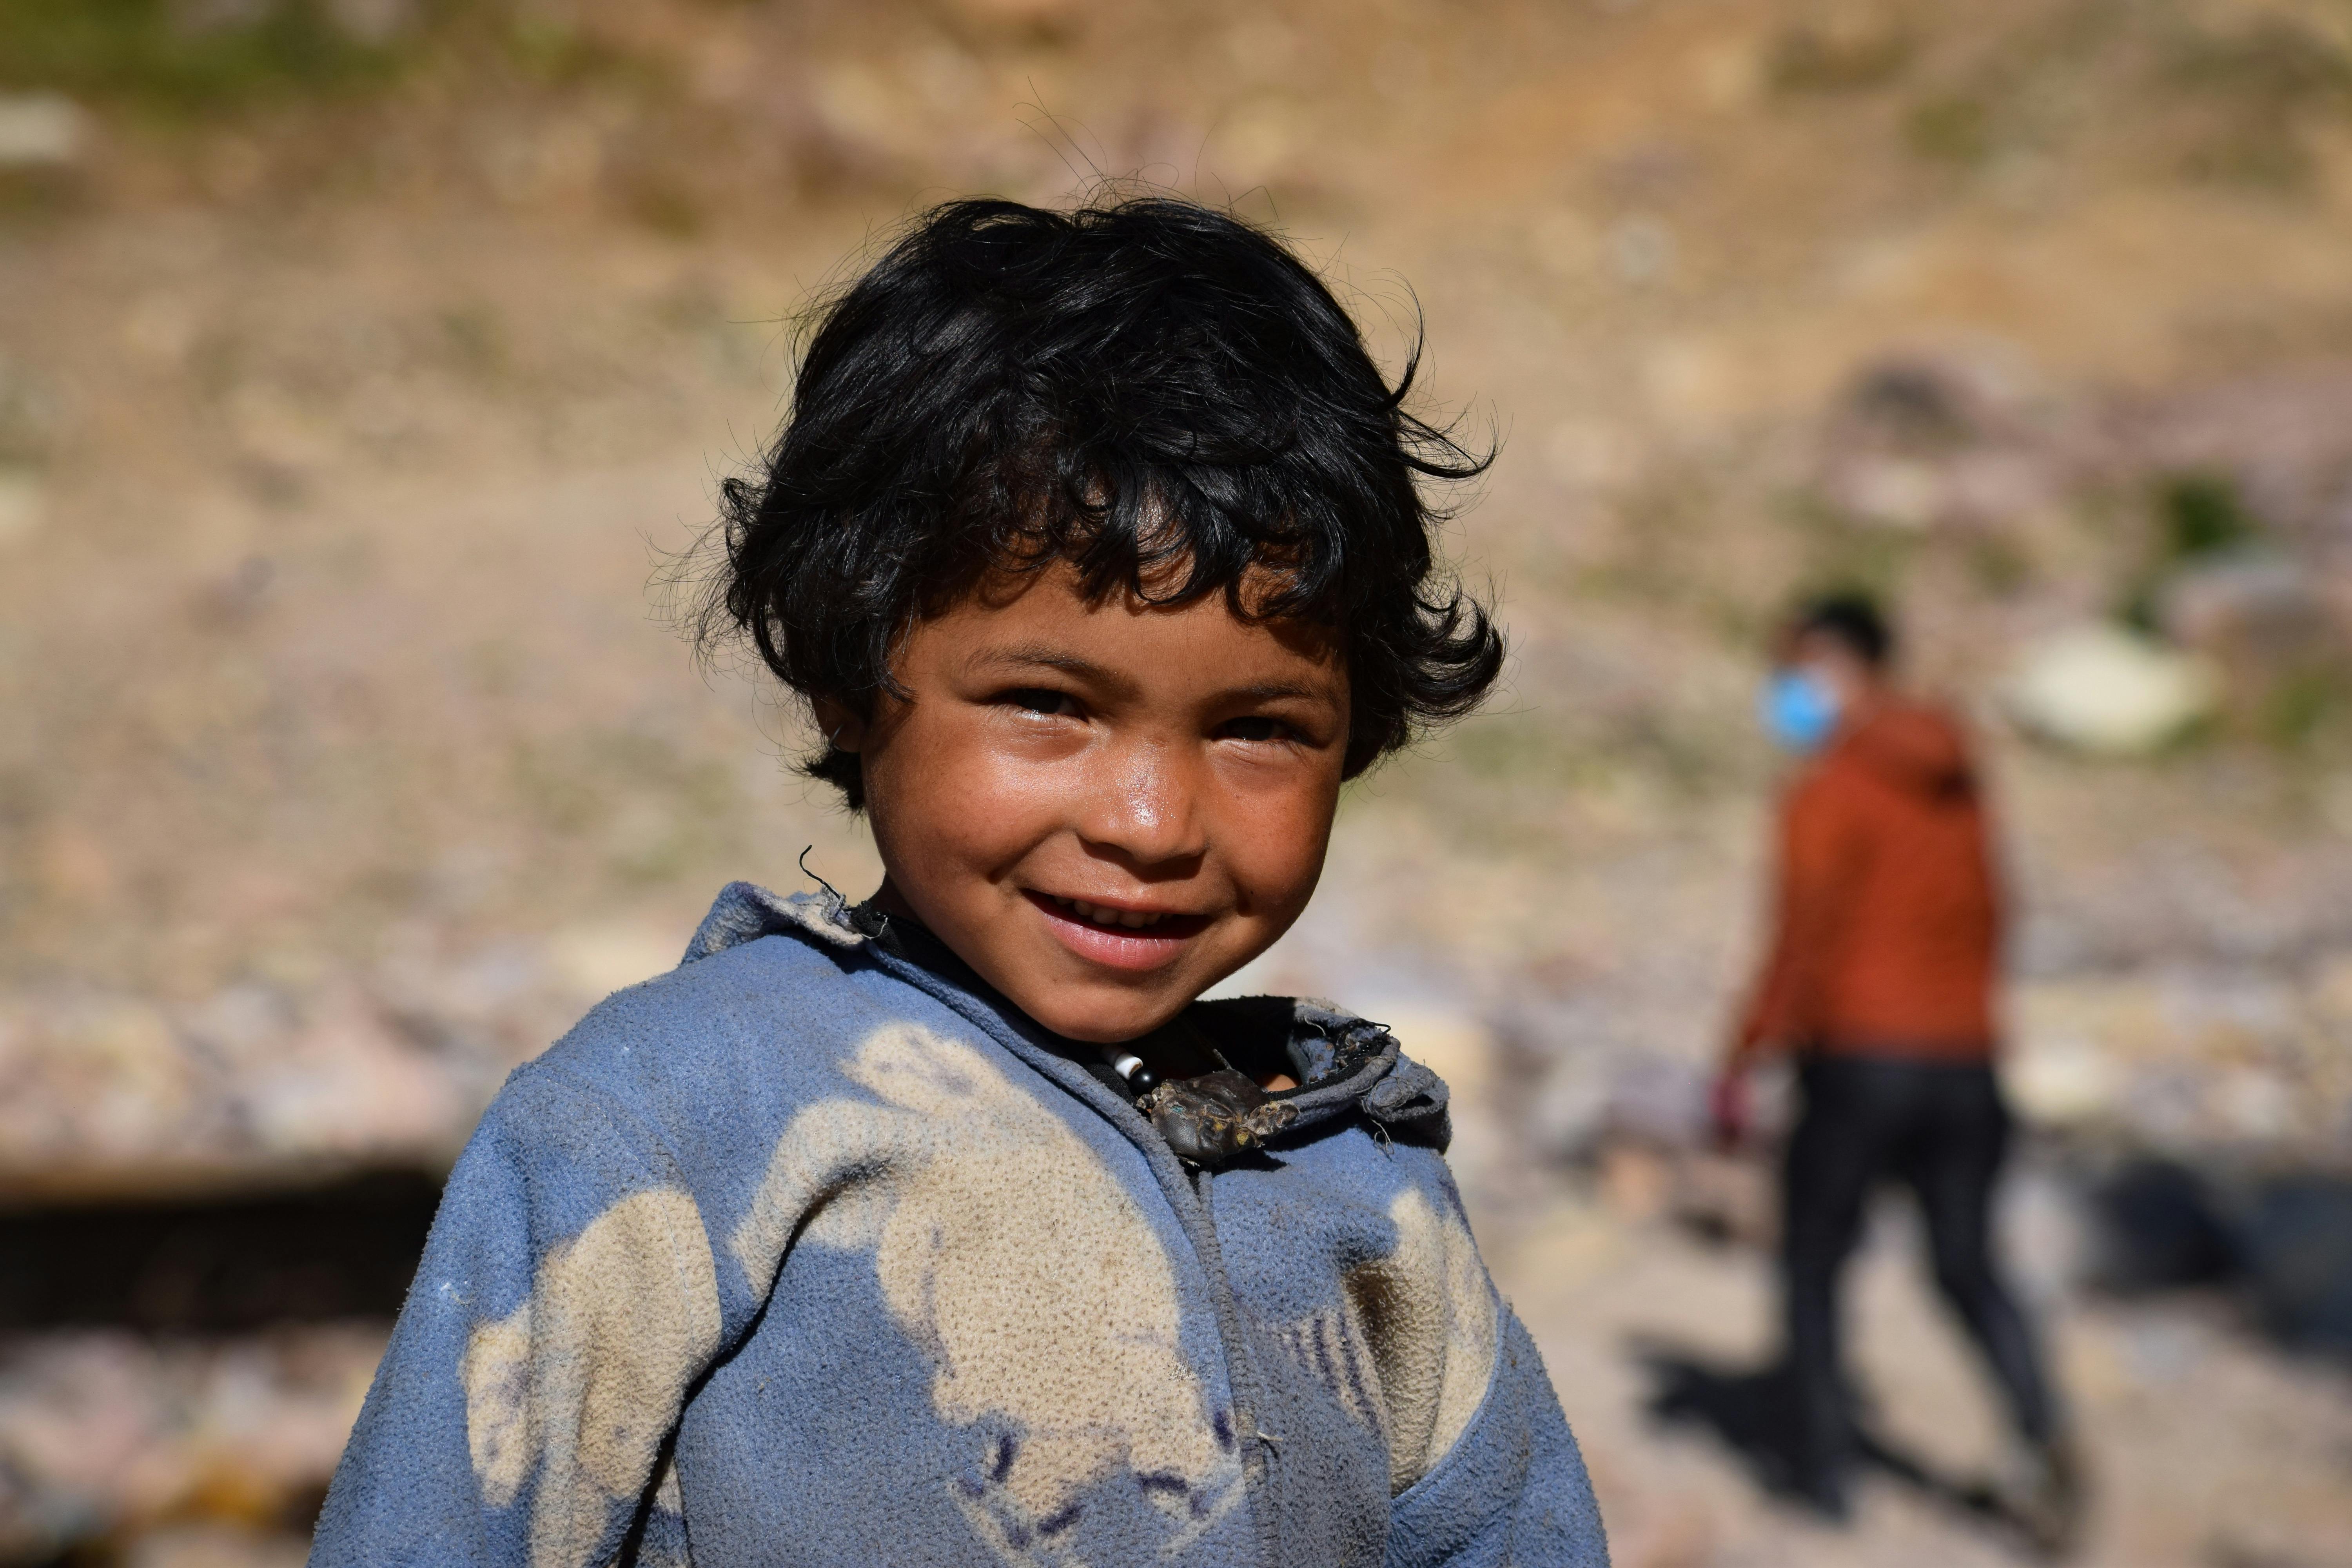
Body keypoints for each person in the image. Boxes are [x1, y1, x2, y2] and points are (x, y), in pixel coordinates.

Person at [309, 196, 1608, 1568]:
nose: (1155, 821)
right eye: (1050, 704)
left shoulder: (1354, 1174)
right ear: (847, 672)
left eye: (1257, 729)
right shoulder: (666, 1132)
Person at [1713, 594, 2078, 1546]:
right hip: (1967, 1063)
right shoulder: (1958, 780)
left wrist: (1742, 1057)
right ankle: (2043, 1430)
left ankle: (1826, 1473)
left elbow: (1799, 939)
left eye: (1791, 667)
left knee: (1814, 1259)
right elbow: (1997, 914)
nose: (1781, 691)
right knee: (1966, 1262)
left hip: (1860, 1060)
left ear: (1833, 663)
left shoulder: (1829, 787)